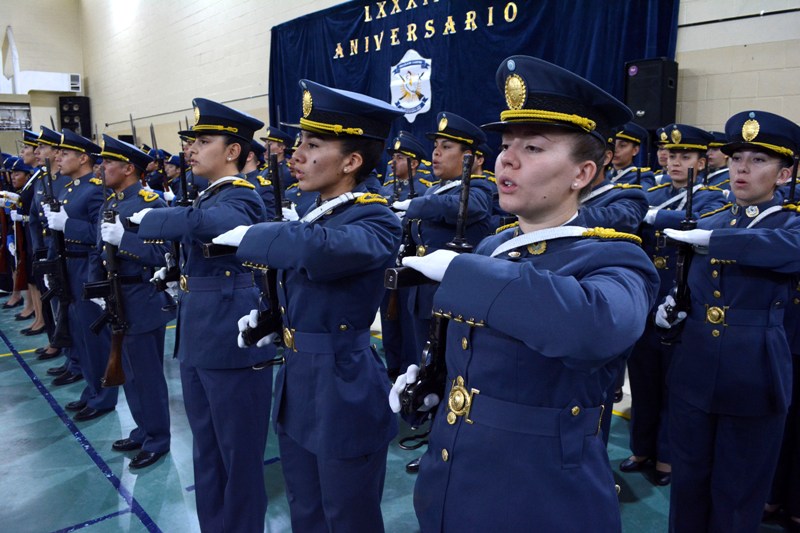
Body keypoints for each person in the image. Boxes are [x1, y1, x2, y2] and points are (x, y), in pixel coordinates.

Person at [390, 55, 660, 532]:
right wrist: (439, 380)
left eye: (533, 147)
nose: (506, 159)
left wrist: (464, 272)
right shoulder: (495, 247)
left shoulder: (615, 259)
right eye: (506, 144)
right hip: (454, 479)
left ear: (582, 175)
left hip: (539, 497)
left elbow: (593, 327)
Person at [213, 79, 403, 532]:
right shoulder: (316, 208)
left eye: (312, 144)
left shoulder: (375, 217)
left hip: (343, 383)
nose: (294, 154)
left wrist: (255, 237)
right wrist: (274, 318)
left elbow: (324, 251)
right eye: (299, 141)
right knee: (306, 507)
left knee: (347, 514)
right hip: (298, 378)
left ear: (352, 161)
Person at [132, 98, 273, 532]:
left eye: (204, 141)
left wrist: (150, 220)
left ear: (233, 151)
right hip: (198, 330)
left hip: (230, 334)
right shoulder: (211, 195)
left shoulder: (241, 198)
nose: (191, 149)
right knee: (206, 449)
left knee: (238, 454)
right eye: (192, 141)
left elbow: (208, 223)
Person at [658, 110, 800, 532]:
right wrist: (672, 308)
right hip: (696, 366)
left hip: (753, 373)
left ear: (784, 174)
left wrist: (716, 241)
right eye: (737, 158)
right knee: (689, 480)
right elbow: (688, 285)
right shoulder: (711, 221)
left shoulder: (789, 224)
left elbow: (785, 248)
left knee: (738, 491)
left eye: (758, 161)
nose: (742, 169)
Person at [621, 124, 727, 486]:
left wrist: (652, 217)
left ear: (702, 160)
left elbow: (699, 223)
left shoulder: (714, 195)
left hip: (679, 300)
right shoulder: (654, 190)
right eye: (672, 155)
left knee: (674, 384)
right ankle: (641, 447)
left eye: (686, 156)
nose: (676, 162)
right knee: (643, 376)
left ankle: (668, 456)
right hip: (646, 295)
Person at [92, 135, 175, 468]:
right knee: (129, 370)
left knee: (147, 375)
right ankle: (143, 429)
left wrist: (124, 240)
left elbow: (163, 254)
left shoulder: (150, 202)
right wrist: (98, 289)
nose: (102, 167)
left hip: (142, 296)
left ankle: (159, 438)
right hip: (116, 295)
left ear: (128, 168)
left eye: (109, 162)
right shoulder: (111, 202)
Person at [391, 111, 494, 363]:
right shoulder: (434, 191)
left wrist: (415, 205)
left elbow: (466, 206)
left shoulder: (479, 188)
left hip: (455, 297)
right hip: (422, 295)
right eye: (435, 146)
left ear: (472, 158)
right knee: (422, 365)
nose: (436, 153)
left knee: (449, 369)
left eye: (446, 147)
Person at [606, 122, 655, 188]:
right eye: (613, 145)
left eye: (622, 145)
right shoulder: (604, 174)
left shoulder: (642, 177)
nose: (615, 150)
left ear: (635, 150)